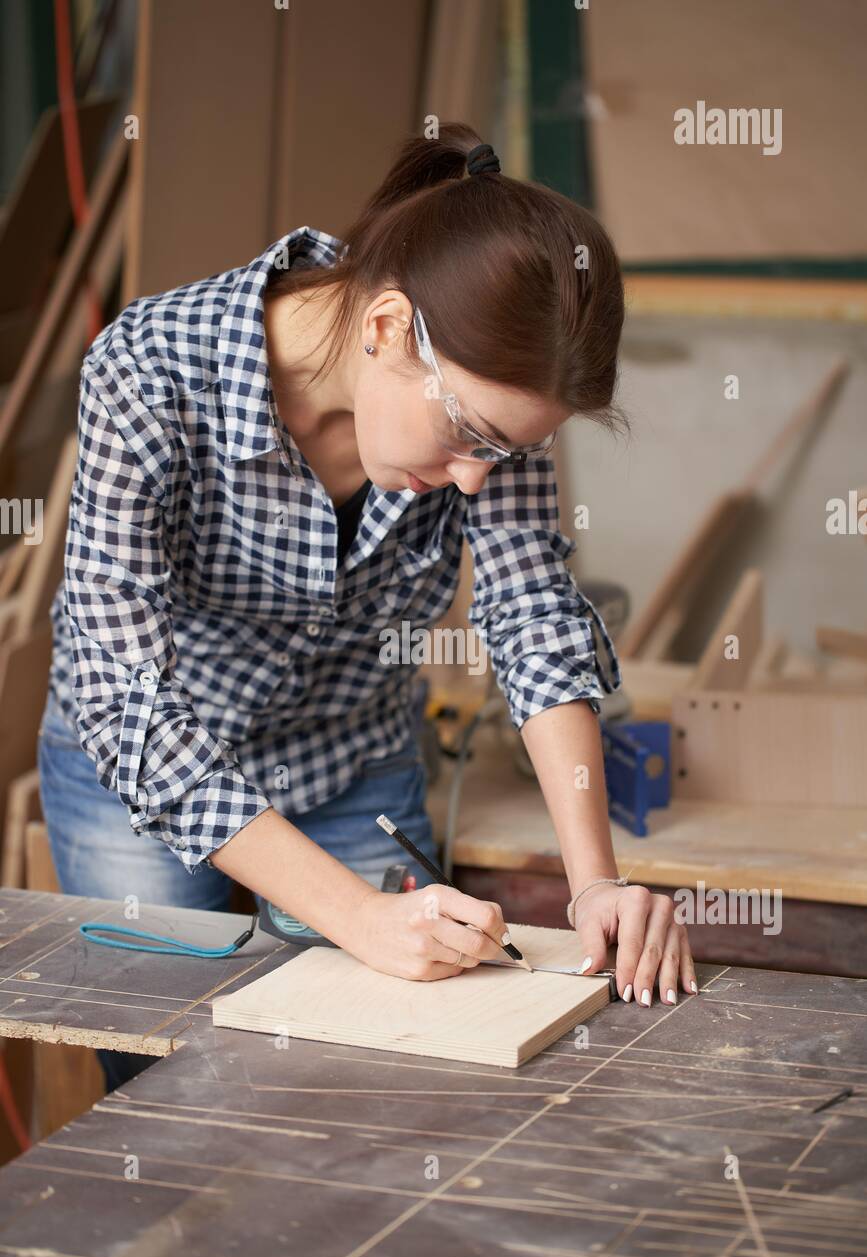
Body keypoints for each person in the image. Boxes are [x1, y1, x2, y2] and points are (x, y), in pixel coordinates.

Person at [38, 124, 696, 1092]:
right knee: (167, 1086)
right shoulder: (149, 370)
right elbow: (125, 700)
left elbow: (532, 617)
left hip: (350, 762)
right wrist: (356, 917)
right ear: (387, 326)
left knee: (384, 1084)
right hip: (143, 775)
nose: (477, 478)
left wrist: (592, 877)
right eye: (468, 433)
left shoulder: (488, 398)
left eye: (506, 454)